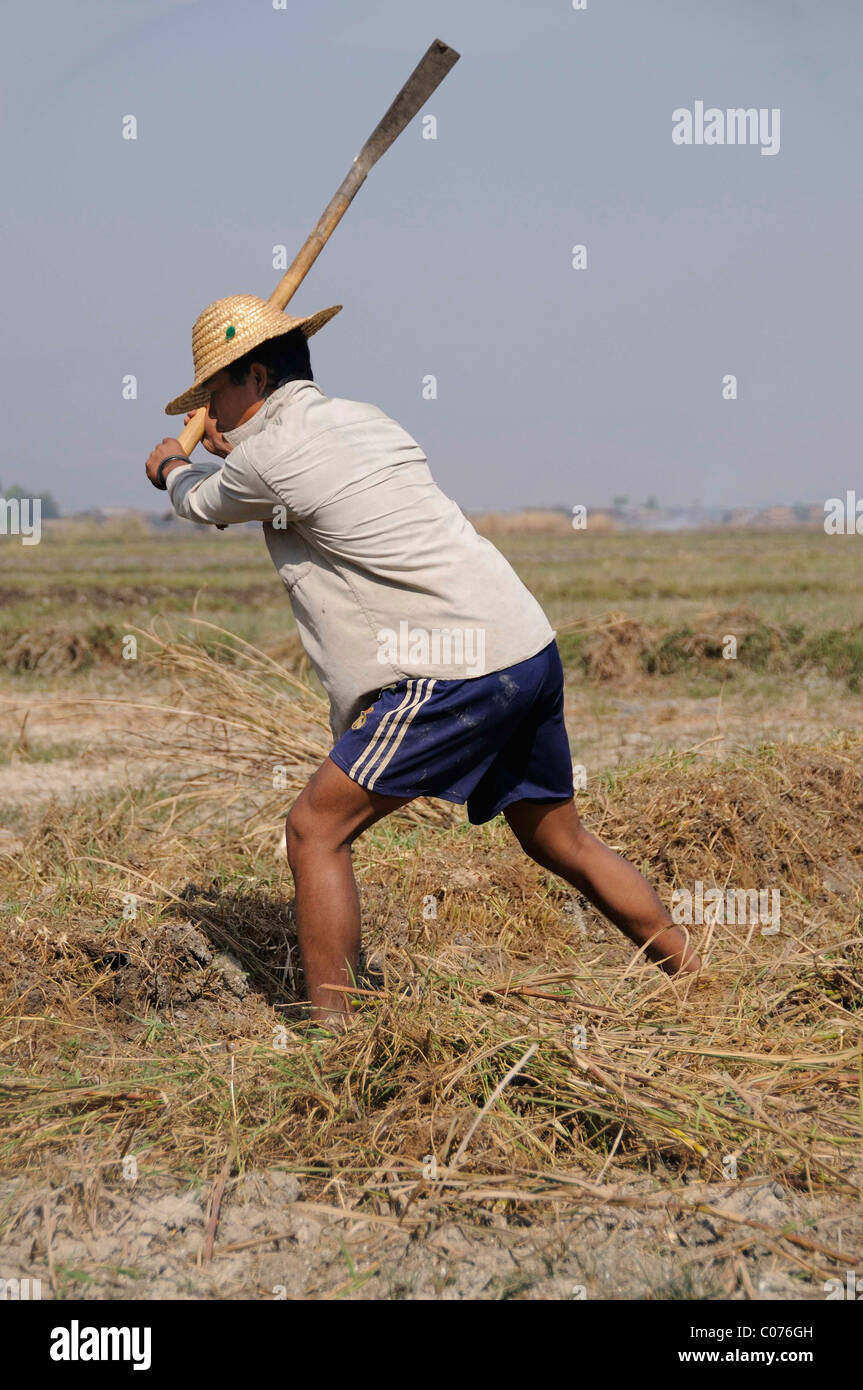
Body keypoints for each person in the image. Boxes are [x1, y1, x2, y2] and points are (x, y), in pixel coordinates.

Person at [146, 294, 701, 1023]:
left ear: (254, 376)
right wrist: (231, 450)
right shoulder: (364, 420)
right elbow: (278, 476)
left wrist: (170, 465)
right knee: (558, 838)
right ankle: (696, 980)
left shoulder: (272, 460)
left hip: (451, 668)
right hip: (522, 646)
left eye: (215, 392)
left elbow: (200, 504)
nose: (210, 411)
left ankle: (335, 1044)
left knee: (315, 831)